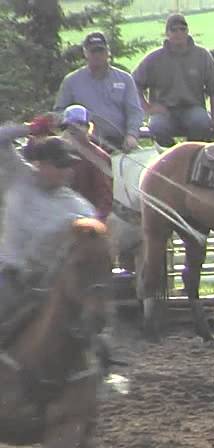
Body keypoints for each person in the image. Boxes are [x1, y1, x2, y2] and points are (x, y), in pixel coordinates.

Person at [0, 119, 96, 343]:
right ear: (40, 164)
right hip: (10, 277)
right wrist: (29, 128)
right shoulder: (19, 176)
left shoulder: (79, 207)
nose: (66, 171)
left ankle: (98, 356)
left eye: (68, 166)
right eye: (59, 165)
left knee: (89, 328)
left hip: (51, 284)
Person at [132, 13, 214, 147]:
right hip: (164, 110)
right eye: (174, 30)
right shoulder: (154, 58)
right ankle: (169, 155)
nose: (179, 33)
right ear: (167, 33)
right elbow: (133, 84)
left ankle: (192, 154)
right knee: (157, 127)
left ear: (187, 31)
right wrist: (148, 107)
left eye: (182, 29)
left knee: (201, 122)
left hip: (193, 108)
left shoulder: (202, 55)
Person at [54, 32, 145, 151]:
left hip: (120, 143)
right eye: (93, 51)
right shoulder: (71, 81)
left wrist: (132, 135)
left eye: (101, 51)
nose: (97, 55)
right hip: (84, 145)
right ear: (85, 53)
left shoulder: (125, 79)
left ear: (108, 52)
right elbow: (59, 112)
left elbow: (135, 111)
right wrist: (74, 124)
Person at [28, 106, 113, 221]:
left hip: (86, 218)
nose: (72, 130)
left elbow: (105, 199)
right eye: (68, 127)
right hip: (54, 216)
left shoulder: (99, 157)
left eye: (78, 125)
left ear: (87, 128)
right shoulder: (53, 149)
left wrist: (94, 222)